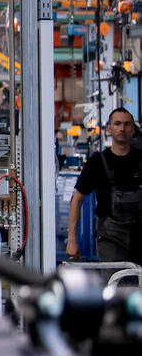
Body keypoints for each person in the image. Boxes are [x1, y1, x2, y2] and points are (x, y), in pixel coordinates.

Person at [68, 107, 142, 263]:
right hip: (111, 239)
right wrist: (72, 240)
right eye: (117, 124)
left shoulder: (140, 159)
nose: (122, 128)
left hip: (139, 237)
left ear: (133, 129)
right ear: (109, 128)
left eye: (127, 124)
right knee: (114, 284)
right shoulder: (97, 162)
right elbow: (77, 200)